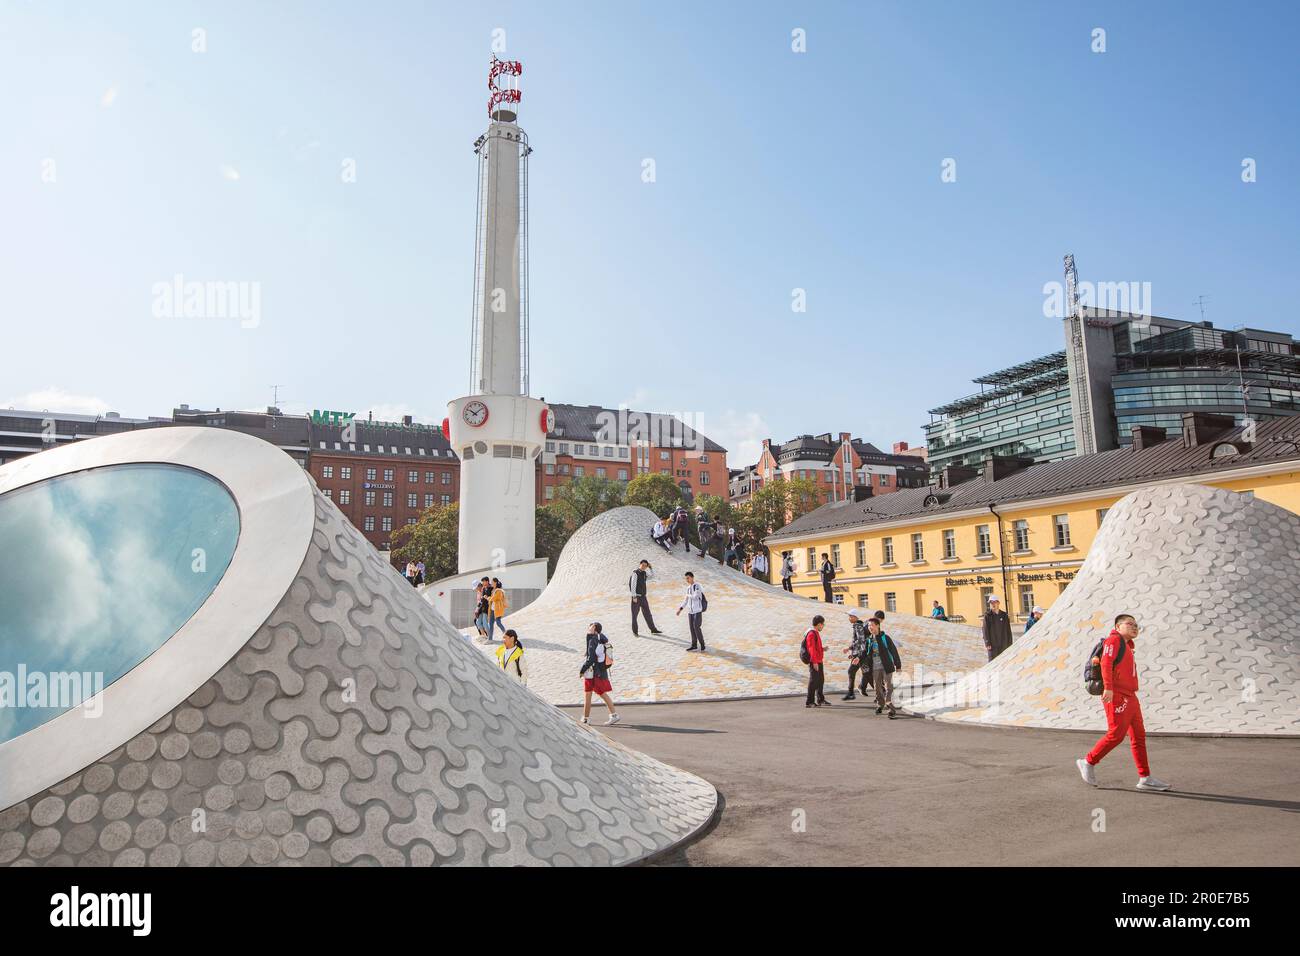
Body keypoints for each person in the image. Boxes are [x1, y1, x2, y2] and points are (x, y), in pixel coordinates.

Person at [1076, 614, 1171, 791]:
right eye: (1130, 624)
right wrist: (1109, 688)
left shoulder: (1126, 645)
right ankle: (1088, 762)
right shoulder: (1114, 640)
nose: (1135, 627)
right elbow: (1106, 662)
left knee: (1138, 736)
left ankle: (1145, 777)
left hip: (1130, 696)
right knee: (1116, 734)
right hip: (1117, 695)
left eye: (1137, 625)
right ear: (1118, 626)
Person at [579, 622, 620, 725]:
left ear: (595, 629)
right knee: (597, 693)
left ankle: (586, 719)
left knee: (590, 693)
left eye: (591, 627)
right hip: (599, 671)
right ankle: (587, 718)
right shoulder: (600, 638)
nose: (588, 628)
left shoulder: (593, 640)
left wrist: (582, 670)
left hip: (592, 672)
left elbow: (591, 658)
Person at [862, 615, 903, 718]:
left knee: (889, 686)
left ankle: (890, 707)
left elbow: (894, 651)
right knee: (877, 688)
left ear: (877, 626)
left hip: (887, 666)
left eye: (871, 625)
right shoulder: (869, 640)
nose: (869, 627)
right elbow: (865, 653)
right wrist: (857, 658)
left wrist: (898, 665)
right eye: (868, 626)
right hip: (875, 667)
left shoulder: (885, 638)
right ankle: (880, 704)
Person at [629, 559, 664, 636]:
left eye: (645, 566)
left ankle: (653, 629)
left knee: (648, 614)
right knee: (634, 615)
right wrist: (634, 596)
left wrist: (651, 568)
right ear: (640, 564)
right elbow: (633, 585)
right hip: (636, 597)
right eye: (643, 565)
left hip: (643, 597)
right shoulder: (635, 573)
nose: (644, 567)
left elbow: (652, 576)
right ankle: (635, 632)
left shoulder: (644, 573)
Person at [842, 608, 871, 700]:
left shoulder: (858, 626)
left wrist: (855, 653)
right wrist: (850, 648)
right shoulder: (858, 625)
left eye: (850, 616)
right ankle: (860, 689)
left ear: (855, 617)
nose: (849, 618)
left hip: (859, 654)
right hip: (861, 654)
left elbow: (860, 640)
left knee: (852, 671)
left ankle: (851, 692)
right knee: (866, 672)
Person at [676, 571, 707, 651]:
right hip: (690, 612)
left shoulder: (697, 586)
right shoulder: (688, 588)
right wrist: (680, 609)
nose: (687, 580)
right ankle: (694, 645)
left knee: (696, 627)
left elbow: (695, 597)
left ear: (692, 577)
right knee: (692, 629)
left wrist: (688, 595)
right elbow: (686, 600)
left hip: (697, 611)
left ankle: (702, 644)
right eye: (686, 579)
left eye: (688, 578)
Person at [803, 615, 830, 708]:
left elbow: (816, 648)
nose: (823, 626)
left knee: (820, 680)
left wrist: (822, 649)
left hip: (818, 660)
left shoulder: (815, 633)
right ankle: (809, 702)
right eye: (823, 624)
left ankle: (820, 699)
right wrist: (814, 662)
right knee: (813, 681)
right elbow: (811, 649)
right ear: (819, 624)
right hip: (814, 661)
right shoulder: (811, 634)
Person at [982, 595, 1013, 661]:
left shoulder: (1004, 615)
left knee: (1003, 662)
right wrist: (987, 643)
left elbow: (1008, 630)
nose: (993, 604)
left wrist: (1010, 643)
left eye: (994, 602)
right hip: (992, 645)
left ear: (998, 603)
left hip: (1003, 644)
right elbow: (985, 630)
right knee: (992, 663)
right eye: (991, 603)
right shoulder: (987, 616)